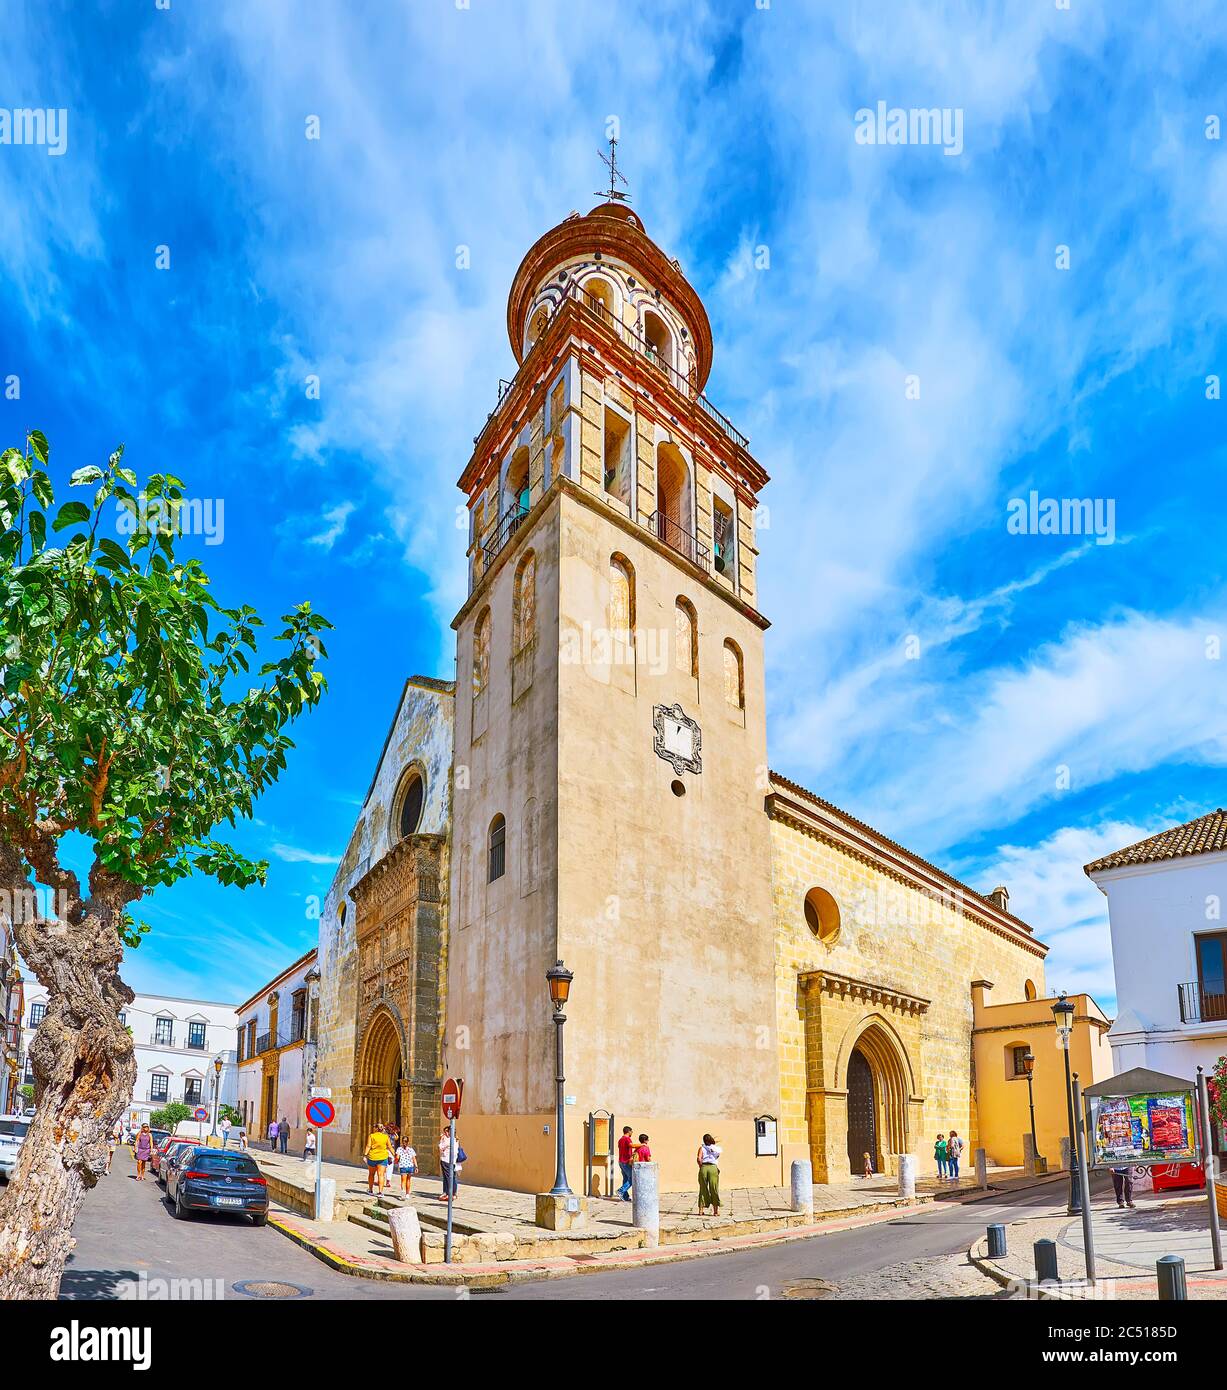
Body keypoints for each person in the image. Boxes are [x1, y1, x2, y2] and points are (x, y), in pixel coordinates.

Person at [697, 1133, 721, 1217]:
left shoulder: (701, 1148)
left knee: (703, 1188)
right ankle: (715, 1211)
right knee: (714, 1188)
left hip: (704, 1167)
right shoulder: (716, 1148)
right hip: (713, 1168)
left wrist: (701, 1166)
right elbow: (717, 1157)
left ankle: (701, 1210)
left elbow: (699, 1158)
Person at [364, 1123, 392, 1194]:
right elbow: (390, 1147)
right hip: (383, 1158)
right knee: (381, 1175)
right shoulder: (386, 1137)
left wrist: (365, 1155)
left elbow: (368, 1146)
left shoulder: (371, 1136)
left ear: (376, 1128)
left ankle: (370, 1190)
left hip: (372, 1157)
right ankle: (380, 1192)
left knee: (371, 1174)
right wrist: (395, 1154)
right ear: (382, 1129)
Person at [438, 1127, 462, 1201]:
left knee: (448, 1178)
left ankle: (449, 1194)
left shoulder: (448, 1140)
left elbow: (441, 1147)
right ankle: (453, 1194)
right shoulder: (455, 1140)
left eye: (446, 1132)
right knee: (452, 1177)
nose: (445, 1133)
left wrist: (441, 1139)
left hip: (446, 1161)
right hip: (453, 1161)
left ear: (449, 1132)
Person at [616, 1125, 635, 1201]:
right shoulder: (627, 1139)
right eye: (631, 1131)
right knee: (632, 1178)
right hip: (626, 1162)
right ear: (629, 1131)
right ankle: (621, 1191)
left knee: (626, 1179)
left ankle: (625, 1196)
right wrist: (642, 1145)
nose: (632, 1133)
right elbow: (631, 1145)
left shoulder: (620, 1140)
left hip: (621, 1162)